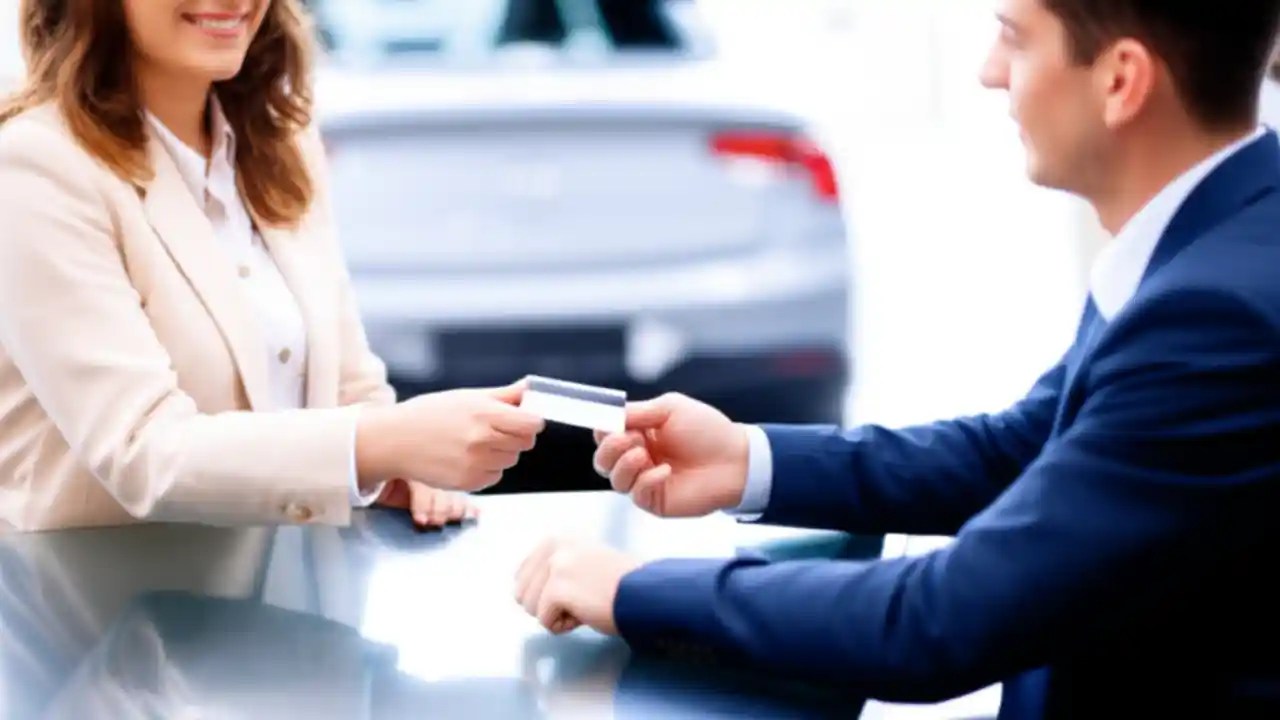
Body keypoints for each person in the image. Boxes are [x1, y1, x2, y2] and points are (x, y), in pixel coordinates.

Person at [516, 0, 1280, 716]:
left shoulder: (1215, 316)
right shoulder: (1219, 242)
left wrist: (635, 590)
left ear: (1120, 81)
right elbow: (1025, 450)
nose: (987, 70)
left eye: (1014, 38)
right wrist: (746, 460)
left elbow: (943, 620)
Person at [0, 0, 545, 532]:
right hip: (94, 612)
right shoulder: (35, 169)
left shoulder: (279, 138)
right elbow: (144, 452)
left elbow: (348, 386)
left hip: (287, 607)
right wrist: (381, 443)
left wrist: (391, 470)